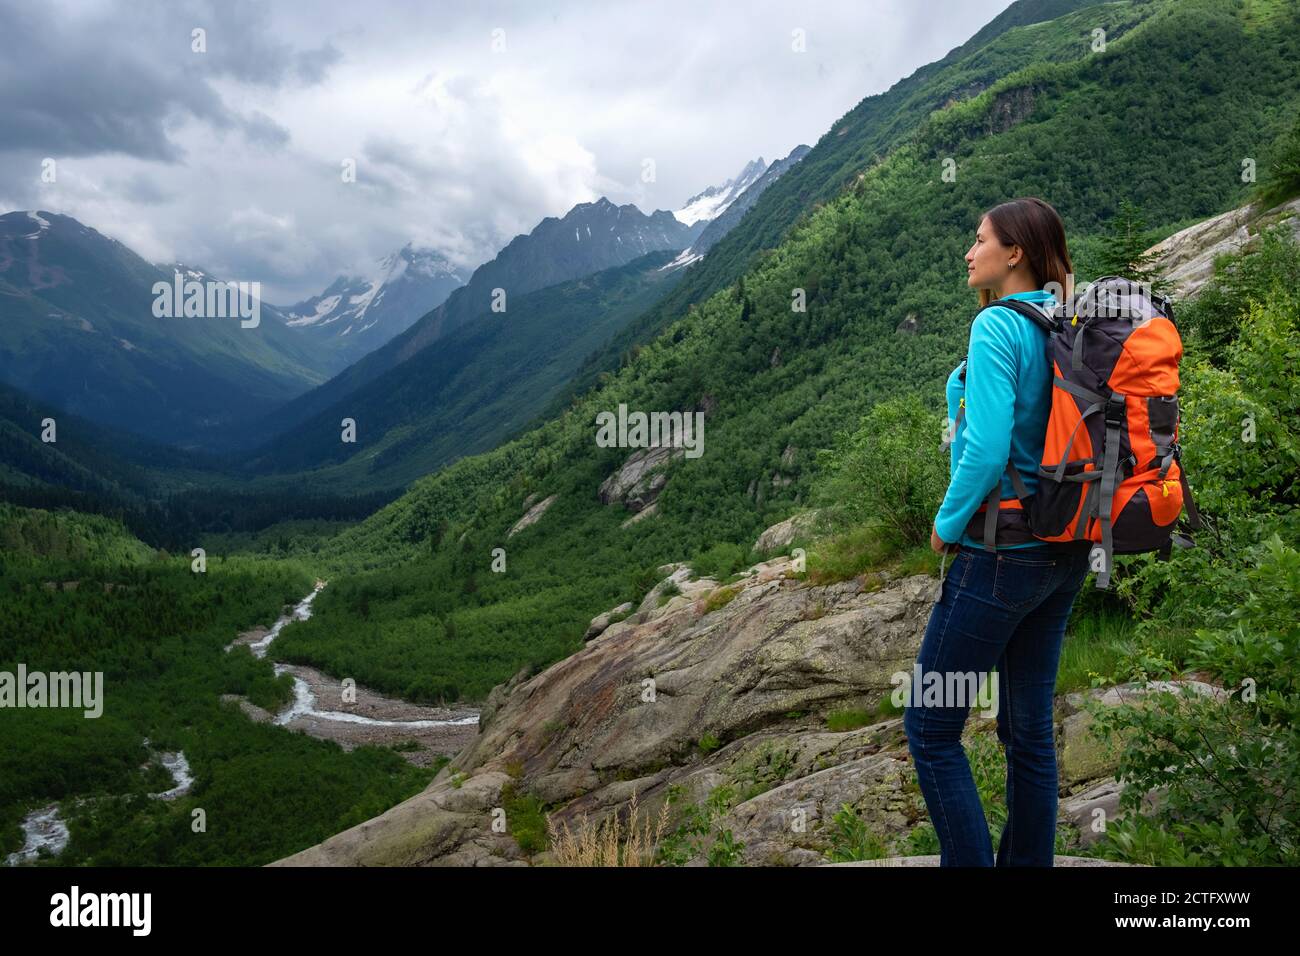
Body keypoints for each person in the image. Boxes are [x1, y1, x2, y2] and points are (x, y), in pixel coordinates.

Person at [903, 196, 1091, 866]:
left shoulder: (996, 329)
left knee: (929, 728)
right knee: (1029, 733)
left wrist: (944, 525)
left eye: (978, 239)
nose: (968, 252)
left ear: (1014, 253)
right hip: (1065, 549)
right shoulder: (1067, 319)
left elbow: (983, 450)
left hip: (1002, 554)